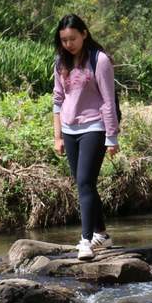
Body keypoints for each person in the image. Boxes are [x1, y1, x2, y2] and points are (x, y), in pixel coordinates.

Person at [51, 14, 119, 261]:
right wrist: (57, 136)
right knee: (86, 184)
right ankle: (102, 234)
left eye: (73, 38)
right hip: (69, 129)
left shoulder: (99, 60)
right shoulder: (61, 62)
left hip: (95, 127)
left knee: (84, 182)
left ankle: (85, 241)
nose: (69, 44)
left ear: (84, 34)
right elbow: (58, 99)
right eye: (64, 40)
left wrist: (111, 136)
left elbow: (108, 100)